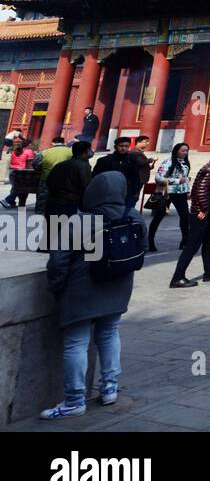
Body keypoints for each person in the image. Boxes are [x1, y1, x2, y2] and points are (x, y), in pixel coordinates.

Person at [39, 170, 142, 419]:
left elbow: (58, 261)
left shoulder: (79, 221)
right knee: (109, 334)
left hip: (82, 290)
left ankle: (74, 400)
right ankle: (109, 388)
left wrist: (56, 286)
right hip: (119, 286)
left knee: (76, 342)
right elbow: (141, 250)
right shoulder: (135, 216)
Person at [170, 143, 210, 288]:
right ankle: (177, 277)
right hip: (203, 213)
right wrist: (203, 210)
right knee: (192, 245)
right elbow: (201, 190)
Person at [147, 143, 192, 253]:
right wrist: (176, 181)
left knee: (185, 216)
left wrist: (187, 190)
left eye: (186, 151)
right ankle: (150, 241)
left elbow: (185, 178)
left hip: (180, 193)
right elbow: (158, 177)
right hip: (167, 193)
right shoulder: (168, 162)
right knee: (158, 217)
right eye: (183, 150)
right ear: (176, 151)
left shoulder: (186, 163)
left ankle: (185, 241)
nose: (185, 153)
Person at [92, 138, 143, 209]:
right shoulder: (104, 160)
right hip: (109, 192)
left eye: (126, 146)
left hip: (127, 192)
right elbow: (96, 177)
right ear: (115, 147)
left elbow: (136, 177)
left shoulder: (132, 160)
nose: (123, 148)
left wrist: (135, 192)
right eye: (121, 146)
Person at [1, 137, 37, 208]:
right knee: (21, 188)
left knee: (15, 188)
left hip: (13, 171)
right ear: (29, 144)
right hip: (22, 173)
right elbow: (30, 164)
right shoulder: (29, 151)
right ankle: (7, 200)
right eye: (32, 144)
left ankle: (11, 202)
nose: (32, 146)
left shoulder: (16, 150)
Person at [127, 135, 156, 207]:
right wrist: (150, 160)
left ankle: (129, 212)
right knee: (133, 197)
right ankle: (129, 213)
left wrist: (149, 167)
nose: (147, 143)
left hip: (139, 178)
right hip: (137, 179)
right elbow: (140, 162)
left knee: (134, 197)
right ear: (138, 142)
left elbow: (140, 165)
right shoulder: (135, 152)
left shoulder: (139, 152)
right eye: (146, 142)